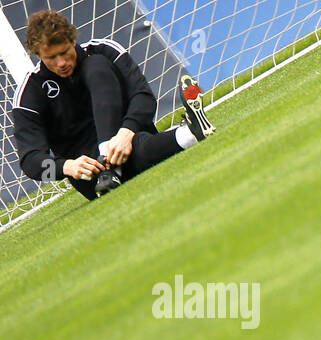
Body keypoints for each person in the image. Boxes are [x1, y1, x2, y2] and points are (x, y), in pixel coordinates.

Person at [9, 8, 215, 200]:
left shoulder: (102, 50)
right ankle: (188, 133)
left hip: (127, 137)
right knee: (140, 148)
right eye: (51, 57)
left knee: (96, 65)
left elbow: (143, 96)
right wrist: (67, 166)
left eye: (64, 52)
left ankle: (184, 136)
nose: (61, 62)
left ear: (73, 40)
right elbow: (30, 161)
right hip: (93, 174)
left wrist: (126, 131)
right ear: (37, 54)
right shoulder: (30, 92)